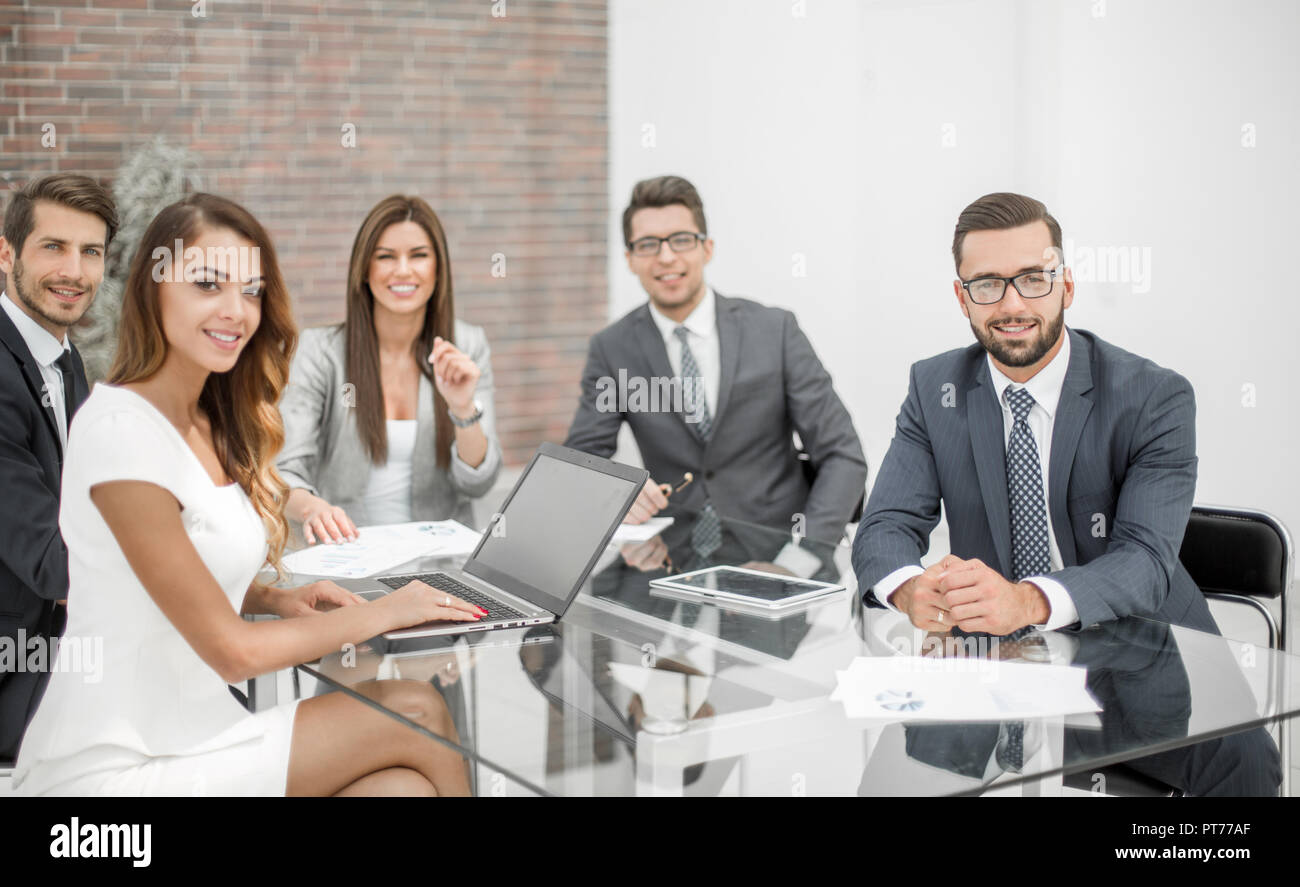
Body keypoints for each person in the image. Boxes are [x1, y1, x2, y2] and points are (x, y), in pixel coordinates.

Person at [15, 193, 489, 796]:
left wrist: (269, 597)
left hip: (202, 729)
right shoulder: (118, 430)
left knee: (404, 790)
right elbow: (232, 653)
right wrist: (388, 611)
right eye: (207, 284)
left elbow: (169, 572)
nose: (235, 310)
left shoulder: (210, 422)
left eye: (252, 290)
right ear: (153, 288)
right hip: (115, 764)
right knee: (416, 710)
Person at [853, 191, 1217, 637]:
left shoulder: (1153, 397)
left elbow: (1144, 561)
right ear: (962, 298)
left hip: (1147, 649)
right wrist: (909, 588)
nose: (1012, 306)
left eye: (1032, 278)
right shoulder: (935, 389)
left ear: (1066, 285)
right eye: (987, 284)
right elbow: (885, 525)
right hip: (1007, 660)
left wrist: (1027, 600)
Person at [565, 175, 867, 576]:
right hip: (668, 562)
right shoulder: (612, 348)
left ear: (706, 248)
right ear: (630, 259)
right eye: (648, 245)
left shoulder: (774, 331)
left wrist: (800, 560)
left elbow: (842, 455)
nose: (667, 257)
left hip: (778, 553)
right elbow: (580, 462)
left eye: (681, 240)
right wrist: (620, 491)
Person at [278, 195, 502, 545]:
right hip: (345, 561)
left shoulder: (467, 346)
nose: (402, 270)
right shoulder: (320, 351)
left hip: (438, 562)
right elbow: (284, 471)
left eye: (418, 255)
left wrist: (462, 409)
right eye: (385, 257)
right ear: (364, 270)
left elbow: (478, 483)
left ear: (438, 268)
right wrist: (314, 509)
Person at [0, 173, 117, 761]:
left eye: (90, 252)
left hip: (71, 638)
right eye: (53, 247)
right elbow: (55, 565)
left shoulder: (64, 357)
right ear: (6, 253)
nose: (74, 271)